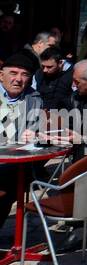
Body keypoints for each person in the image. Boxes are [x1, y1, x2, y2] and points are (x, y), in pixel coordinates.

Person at [0, 53, 44, 226]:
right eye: (13, 73)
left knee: (9, 185)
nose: (18, 79)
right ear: (1, 74)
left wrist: (33, 134)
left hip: (14, 164)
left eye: (24, 75)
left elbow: (34, 128)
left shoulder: (34, 98)